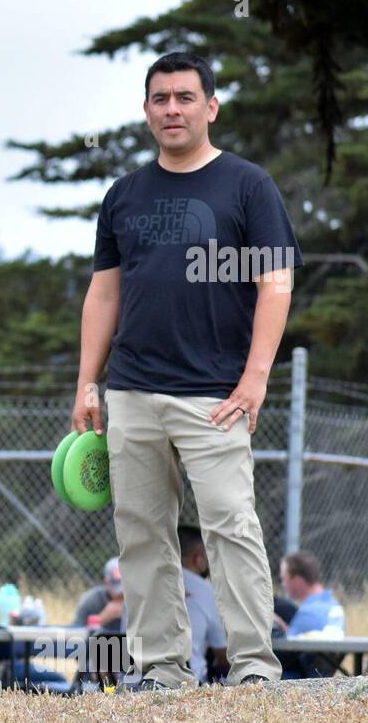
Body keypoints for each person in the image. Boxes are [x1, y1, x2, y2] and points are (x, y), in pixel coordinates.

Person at [71, 52, 301, 689]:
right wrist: (89, 382)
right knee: (142, 537)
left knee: (232, 528)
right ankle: (163, 671)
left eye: (185, 97)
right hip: (134, 394)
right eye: (160, 98)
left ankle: (255, 669)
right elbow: (104, 296)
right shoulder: (124, 195)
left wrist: (255, 379)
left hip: (217, 397)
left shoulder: (250, 186)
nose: (172, 108)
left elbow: (276, 284)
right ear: (146, 111)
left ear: (211, 107)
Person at [178, 525, 229, 683]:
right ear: (198, 558)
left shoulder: (143, 585)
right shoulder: (204, 589)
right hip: (189, 680)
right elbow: (223, 654)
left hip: (133, 676)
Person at [282, 552, 345, 637]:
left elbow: (288, 645)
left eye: (284, 579)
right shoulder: (332, 604)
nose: (283, 584)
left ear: (297, 580)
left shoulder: (308, 613)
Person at [72, 557, 124, 630]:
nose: (121, 594)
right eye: (117, 588)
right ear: (106, 582)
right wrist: (101, 619)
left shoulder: (138, 601)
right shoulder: (92, 600)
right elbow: (76, 632)